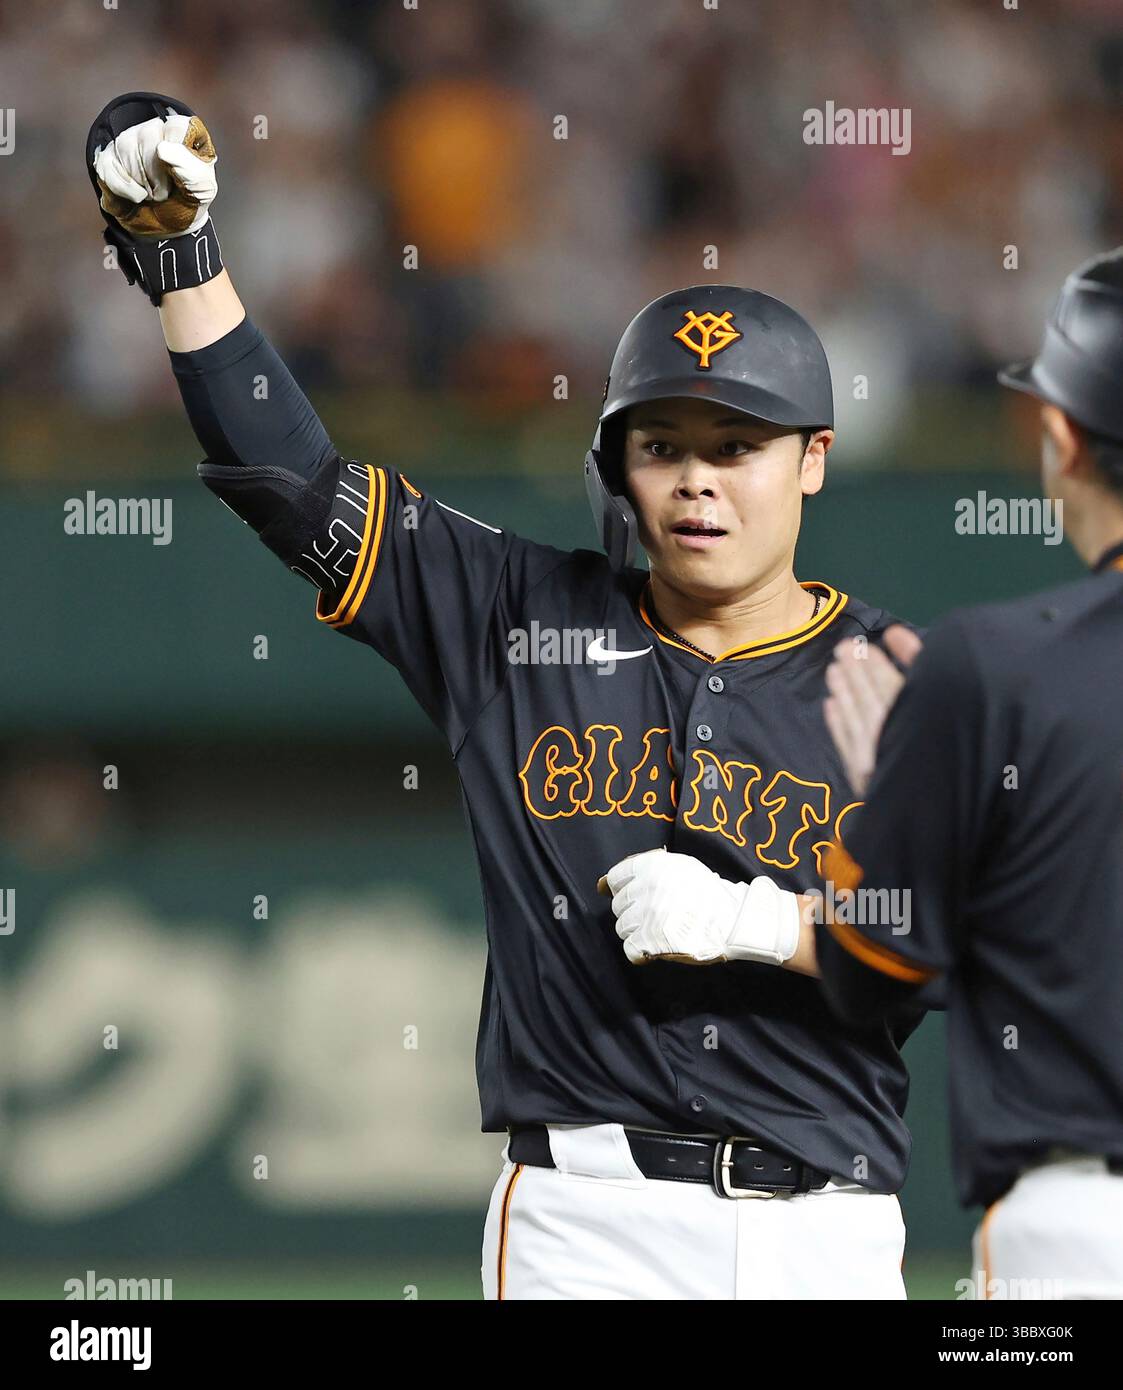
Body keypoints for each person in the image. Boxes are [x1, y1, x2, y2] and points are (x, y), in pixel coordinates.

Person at [88, 91, 924, 1300]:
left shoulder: (895, 678)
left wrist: (762, 925)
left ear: (813, 459)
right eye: (661, 446)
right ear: (618, 472)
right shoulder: (513, 621)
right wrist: (183, 264)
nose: (696, 482)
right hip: (590, 1226)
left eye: (737, 446)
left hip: (829, 1234)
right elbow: (292, 486)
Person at [813, 249, 1123, 1300]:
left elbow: (867, 973)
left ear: (1061, 436)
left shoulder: (993, 663)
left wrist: (883, 804)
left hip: (1077, 1232)